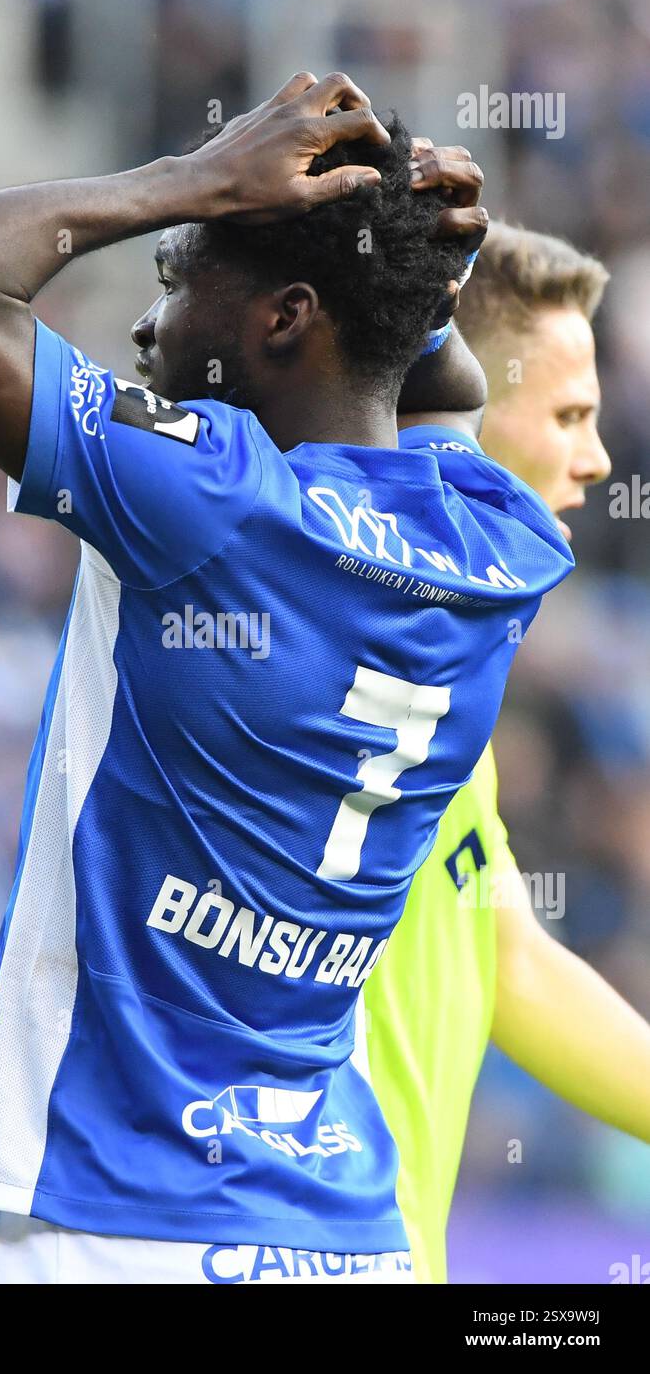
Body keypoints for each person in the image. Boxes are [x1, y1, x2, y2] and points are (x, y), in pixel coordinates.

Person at [0, 73, 572, 1285]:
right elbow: (441, 394)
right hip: (345, 1231)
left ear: (281, 320)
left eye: (176, 282)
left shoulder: (211, 498)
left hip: (121, 1214)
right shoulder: (496, 535)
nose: (143, 322)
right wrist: (388, 252)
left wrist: (191, 182)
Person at [368, 219, 650, 1285]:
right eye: (570, 417)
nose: (597, 457)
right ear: (465, 420)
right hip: (286, 1247)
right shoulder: (353, 678)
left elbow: (513, 967)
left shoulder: (446, 703)